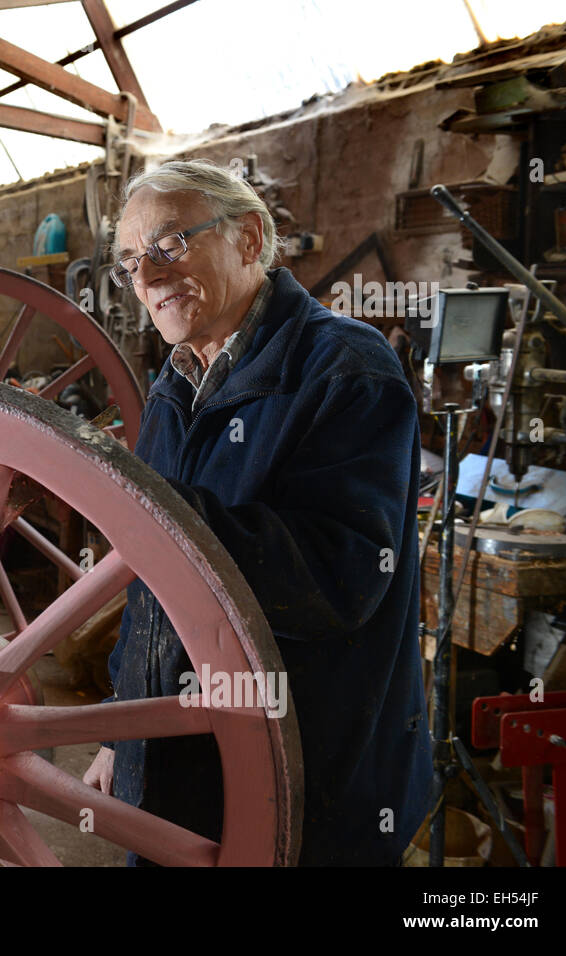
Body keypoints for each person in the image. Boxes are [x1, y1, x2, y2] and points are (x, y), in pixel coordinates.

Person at [81, 159, 432, 866]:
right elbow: (154, 590)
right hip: (182, 758)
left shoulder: (344, 368)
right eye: (128, 262)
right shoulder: (177, 383)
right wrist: (122, 736)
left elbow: (341, 578)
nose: (146, 278)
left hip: (305, 764)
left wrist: (137, 496)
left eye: (170, 245)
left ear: (248, 237)